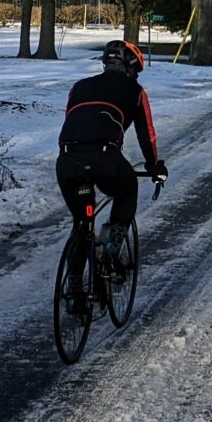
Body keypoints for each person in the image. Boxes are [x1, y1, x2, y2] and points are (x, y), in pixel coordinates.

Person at [57, 39, 166, 282]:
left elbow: (72, 122)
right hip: (105, 159)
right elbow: (146, 135)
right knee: (127, 190)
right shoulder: (135, 91)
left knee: (83, 222)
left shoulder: (79, 87)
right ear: (131, 69)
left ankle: (74, 286)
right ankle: (111, 252)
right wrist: (154, 166)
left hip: (67, 160)